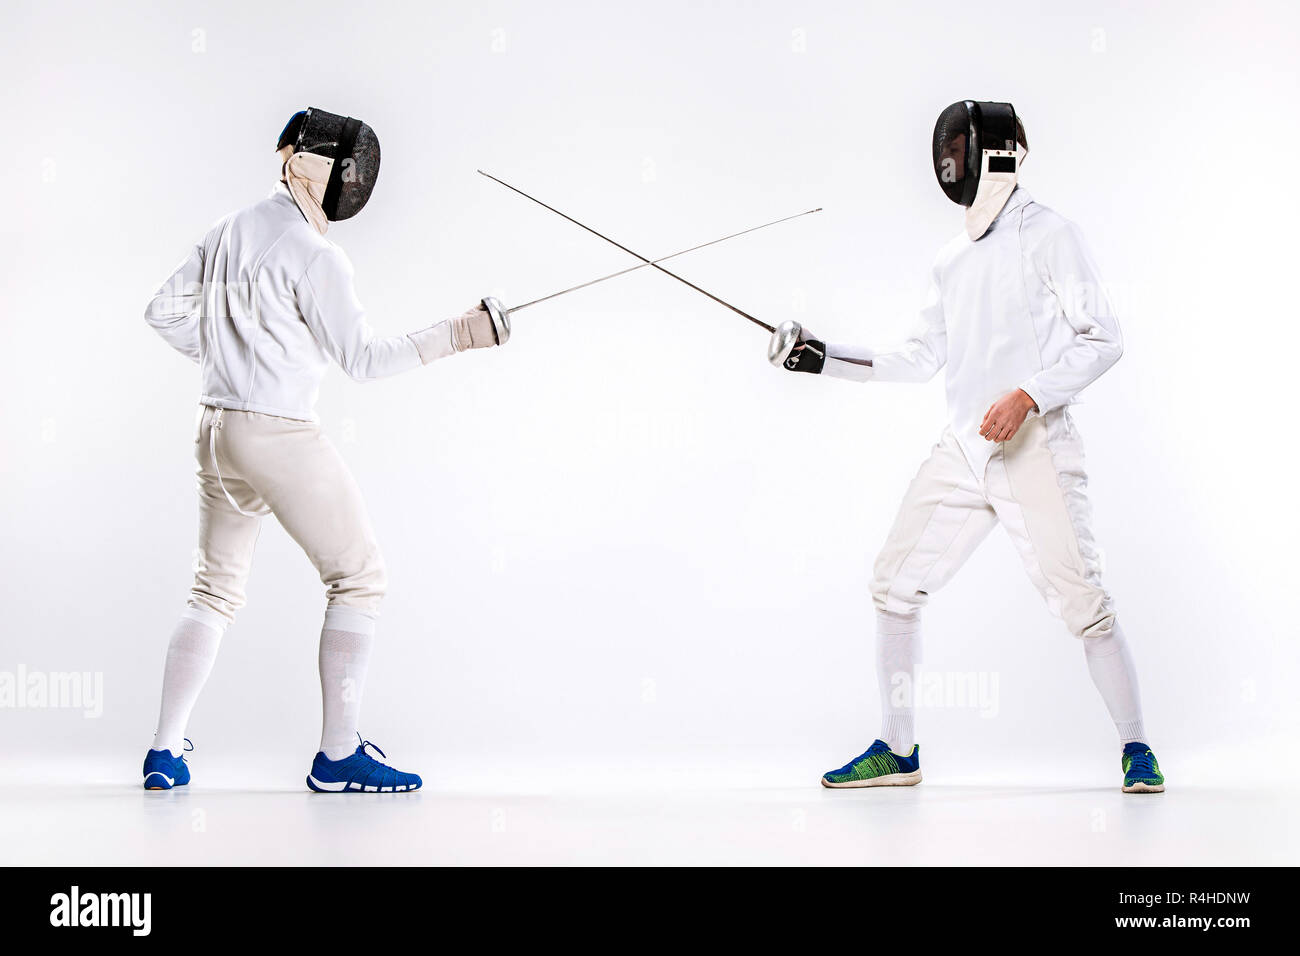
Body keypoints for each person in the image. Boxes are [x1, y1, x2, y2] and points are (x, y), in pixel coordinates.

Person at [772, 100, 1163, 793]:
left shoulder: (1051, 235)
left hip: (1034, 445)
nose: (951, 161)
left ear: (993, 152)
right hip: (964, 451)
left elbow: (1105, 336)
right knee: (893, 585)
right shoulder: (951, 259)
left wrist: (1028, 395)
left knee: (1084, 603)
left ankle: (1136, 748)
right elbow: (919, 357)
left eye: (961, 146)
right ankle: (899, 750)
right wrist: (820, 356)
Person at [141, 107, 510, 792]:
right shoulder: (315, 257)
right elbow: (365, 361)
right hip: (276, 434)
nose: (356, 180)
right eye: (349, 166)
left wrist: (229, 358)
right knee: (360, 577)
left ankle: (164, 752)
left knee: (213, 590)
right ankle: (338, 753)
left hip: (215, 430)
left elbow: (160, 312)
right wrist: (462, 334)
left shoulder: (226, 230)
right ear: (311, 164)